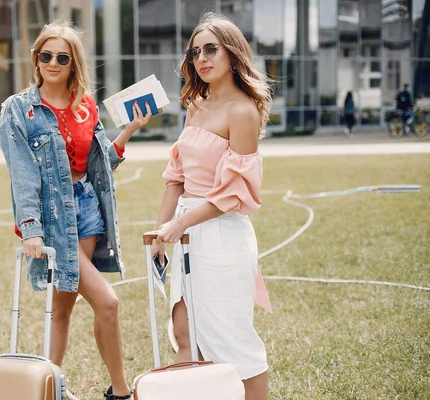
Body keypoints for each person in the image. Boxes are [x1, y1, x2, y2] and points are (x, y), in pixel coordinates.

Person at [0, 20, 153, 400]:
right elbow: (23, 174)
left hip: (87, 212)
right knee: (108, 302)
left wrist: (128, 131)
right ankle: (119, 392)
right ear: (36, 60)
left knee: (61, 307)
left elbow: (99, 164)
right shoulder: (20, 110)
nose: (52, 62)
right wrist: (31, 227)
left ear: (73, 63)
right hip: (53, 219)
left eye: (61, 57)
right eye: (45, 55)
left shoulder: (86, 106)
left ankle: (47, 391)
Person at [151, 12, 271, 400]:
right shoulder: (196, 104)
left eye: (211, 49)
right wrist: (160, 230)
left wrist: (181, 222)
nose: (201, 58)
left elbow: (232, 195)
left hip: (221, 235)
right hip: (186, 231)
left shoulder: (243, 112)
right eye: (195, 51)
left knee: (232, 342)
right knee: (186, 333)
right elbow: (176, 177)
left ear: (232, 54)